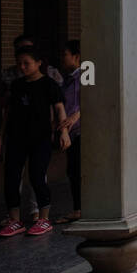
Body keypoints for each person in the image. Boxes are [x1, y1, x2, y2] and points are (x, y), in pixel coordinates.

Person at [0, 45, 68, 237]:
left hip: (40, 138)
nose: (23, 67)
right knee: (11, 177)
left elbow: (60, 109)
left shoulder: (49, 84)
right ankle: (15, 220)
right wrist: (0, 135)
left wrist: (64, 132)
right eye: (20, 63)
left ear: (38, 63)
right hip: (16, 138)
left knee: (37, 176)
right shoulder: (17, 86)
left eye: (27, 63)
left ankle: (44, 219)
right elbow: (8, 113)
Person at [55, 40, 83, 224]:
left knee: (77, 170)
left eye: (65, 54)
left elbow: (92, 101)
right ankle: (79, 208)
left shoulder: (85, 77)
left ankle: (80, 209)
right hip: (71, 132)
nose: (62, 58)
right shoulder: (65, 80)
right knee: (73, 170)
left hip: (82, 131)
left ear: (76, 56)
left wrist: (75, 117)